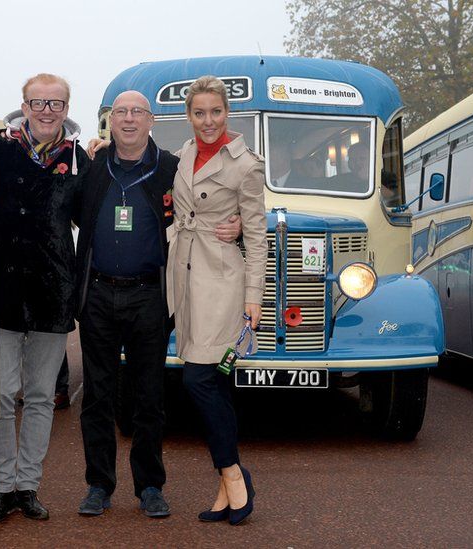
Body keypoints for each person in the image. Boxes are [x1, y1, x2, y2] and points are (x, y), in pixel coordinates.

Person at [77, 92, 243, 518]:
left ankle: (150, 485)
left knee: (149, 396)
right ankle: (98, 484)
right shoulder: (92, 164)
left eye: (137, 113)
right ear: (109, 122)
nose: (129, 120)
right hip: (97, 294)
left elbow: (217, 197)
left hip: (150, 295)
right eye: (121, 113)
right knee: (97, 395)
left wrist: (238, 222)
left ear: (152, 120)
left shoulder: (172, 168)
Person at [0, 73, 90, 523]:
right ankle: (2, 488)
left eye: (56, 103)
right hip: (2, 287)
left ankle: (28, 486)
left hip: (52, 290)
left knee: (41, 396)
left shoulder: (80, 161)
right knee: (2, 395)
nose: (47, 110)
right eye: (38, 102)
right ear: (23, 106)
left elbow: (92, 222)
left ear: (67, 108)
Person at [167, 75, 266, 525]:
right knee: (217, 385)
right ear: (189, 116)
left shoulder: (245, 164)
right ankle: (227, 483)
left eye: (216, 112)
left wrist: (254, 298)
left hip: (222, 279)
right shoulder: (185, 154)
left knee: (198, 380)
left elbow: (259, 232)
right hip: (185, 276)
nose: (208, 121)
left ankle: (232, 473)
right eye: (199, 113)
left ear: (228, 114)